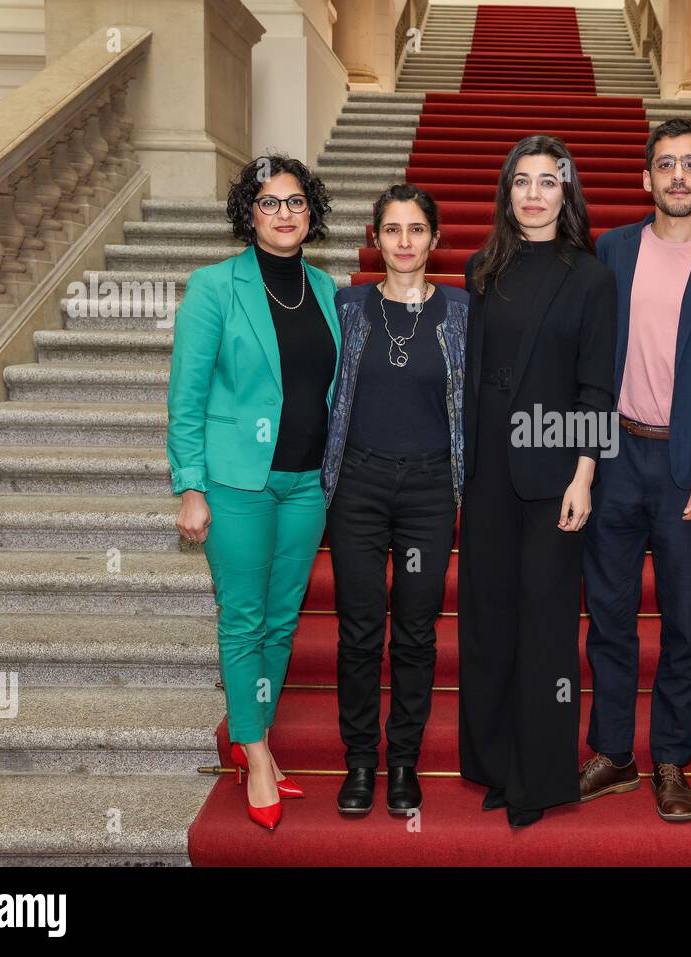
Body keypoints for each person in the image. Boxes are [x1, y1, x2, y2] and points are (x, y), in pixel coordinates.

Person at [578, 117, 691, 822]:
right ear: (646, 178)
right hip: (619, 456)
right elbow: (590, 361)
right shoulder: (612, 250)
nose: (678, 176)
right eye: (666, 164)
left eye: (690, 165)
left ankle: (671, 761)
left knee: (686, 622)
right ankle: (615, 753)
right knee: (611, 617)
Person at [168, 154, 340, 832]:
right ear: (248, 212)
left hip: (307, 483)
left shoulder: (328, 288)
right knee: (243, 618)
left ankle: (250, 733)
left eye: (296, 201)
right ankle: (259, 752)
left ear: (311, 211)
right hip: (237, 481)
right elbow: (185, 396)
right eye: (269, 203)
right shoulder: (214, 287)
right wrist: (190, 485)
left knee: (281, 619)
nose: (284, 213)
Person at [458, 134, 618, 829]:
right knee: (488, 619)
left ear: (566, 192)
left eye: (547, 181)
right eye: (521, 181)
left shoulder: (590, 276)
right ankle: (492, 761)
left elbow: (597, 385)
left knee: (547, 625)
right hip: (488, 468)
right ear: (507, 192)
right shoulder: (480, 267)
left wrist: (584, 475)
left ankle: (539, 776)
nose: (533, 193)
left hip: (557, 471)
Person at [321, 184, 468, 817]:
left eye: (416, 230)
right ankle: (359, 761)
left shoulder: (462, 310)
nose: (404, 242)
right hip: (357, 483)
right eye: (392, 230)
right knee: (357, 630)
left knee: (414, 630)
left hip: (432, 490)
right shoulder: (347, 305)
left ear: (435, 239)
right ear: (375, 238)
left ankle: (402, 760)